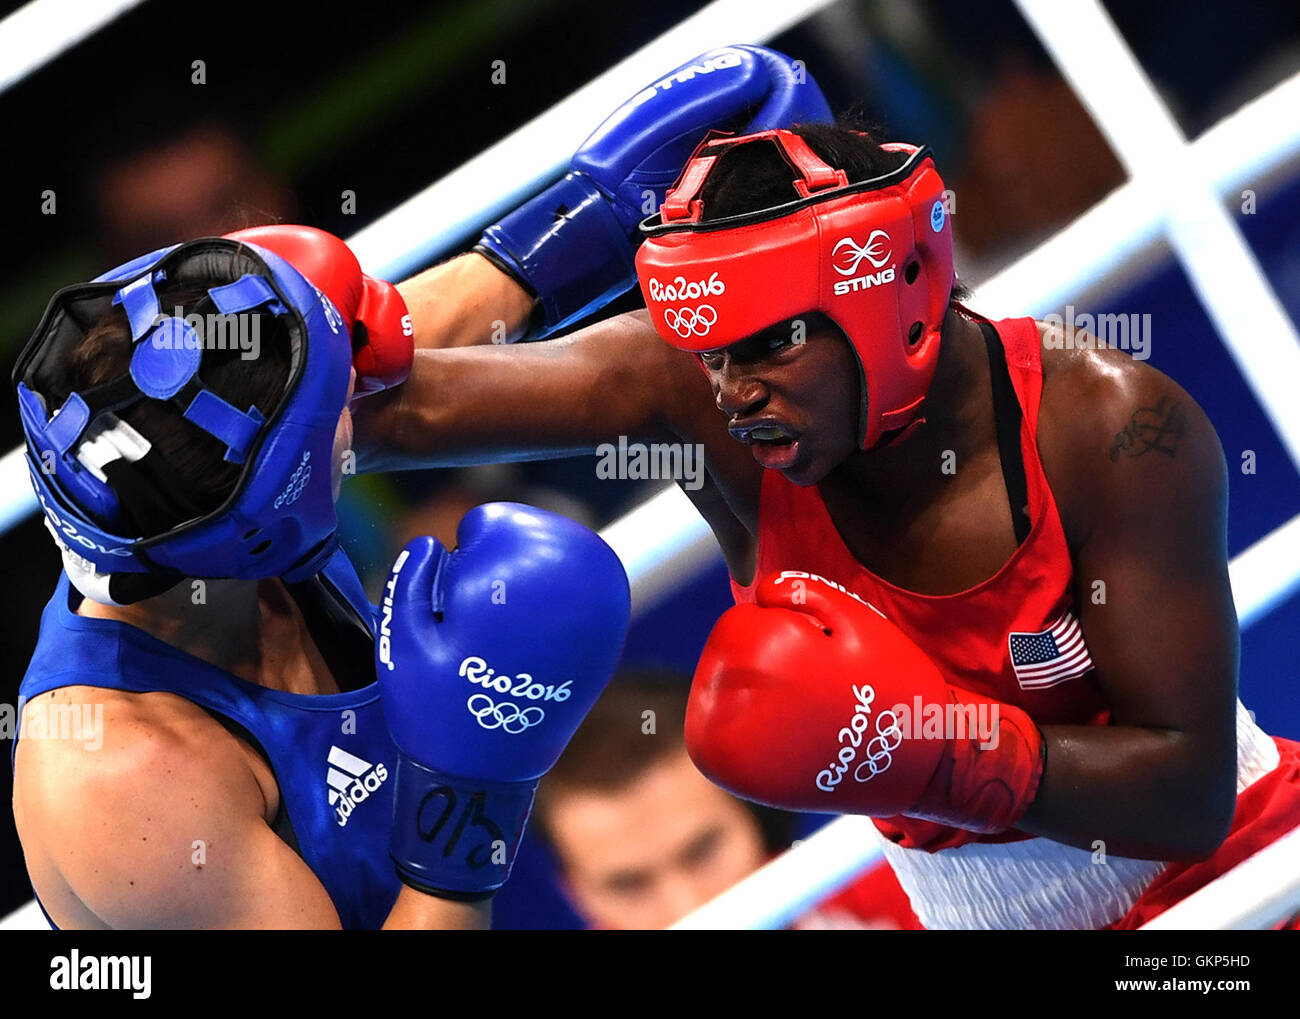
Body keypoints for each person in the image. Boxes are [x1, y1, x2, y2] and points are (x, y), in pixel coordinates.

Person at [353, 120, 1300, 930]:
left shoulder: (1111, 427)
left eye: (768, 343)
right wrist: (292, 338)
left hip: (1250, 879)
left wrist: (933, 751)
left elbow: (1190, 793)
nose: (734, 391)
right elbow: (380, 411)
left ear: (897, 293)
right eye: (711, 352)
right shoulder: (694, 396)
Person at [10, 44, 830, 929]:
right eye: (333, 417)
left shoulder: (184, 473)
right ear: (268, 524)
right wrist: (473, 791)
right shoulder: (126, 781)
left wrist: (593, 216)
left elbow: (392, 349)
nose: (362, 403)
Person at [532, 668, 920, 930]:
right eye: (628, 884)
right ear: (577, 895)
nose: (689, 908)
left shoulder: (900, 885)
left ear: (754, 814)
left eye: (702, 851)